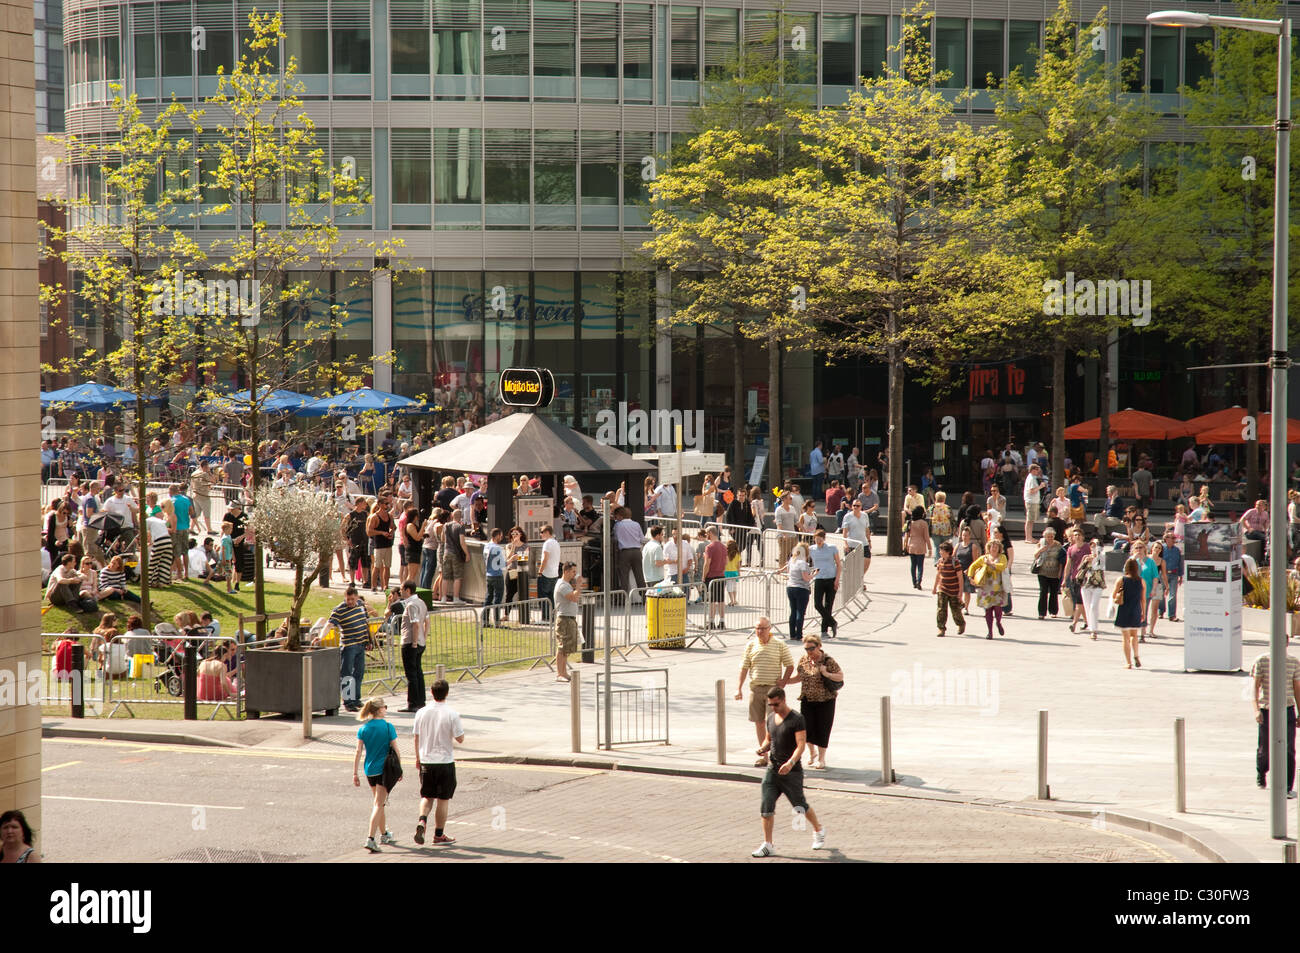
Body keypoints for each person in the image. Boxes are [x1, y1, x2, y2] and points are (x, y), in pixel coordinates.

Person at [751, 687, 826, 857]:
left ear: (783, 699)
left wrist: (791, 763)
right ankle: (768, 844)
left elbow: (801, 744)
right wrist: (763, 748)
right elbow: (769, 739)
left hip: (791, 772)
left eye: (776, 704)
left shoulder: (796, 719)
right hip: (773, 770)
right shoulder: (771, 717)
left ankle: (819, 830)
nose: (773, 707)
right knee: (766, 806)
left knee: (799, 805)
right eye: (771, 704)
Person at [412, 678, 465, 846]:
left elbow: (416, 737)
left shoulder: (421, 712)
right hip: (444, 761)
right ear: (447, 693)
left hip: (426, 760)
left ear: (431, 693)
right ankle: (439, 835)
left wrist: (418, 758)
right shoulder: (452, 713)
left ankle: (422, 821)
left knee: (427, 796)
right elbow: (460, 738)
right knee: (443, 799)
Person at [736, 618, 794, 765]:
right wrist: (739, 688)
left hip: (772, 689)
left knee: (773, 723)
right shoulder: (751, 645)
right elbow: (744, 667)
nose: (759, 631)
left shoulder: (779, 645)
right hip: (756, 688)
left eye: (762, 628)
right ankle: (764, 756)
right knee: (759, 722)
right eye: (757, 628)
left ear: (770, 628)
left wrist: (784, 682)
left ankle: (777, 755)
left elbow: (790, 665)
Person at [786, 634, 842, 770]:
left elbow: (840, 676)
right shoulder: (804, 660)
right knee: (806, 729)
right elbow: (799, 677)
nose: (809, 652)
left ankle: (822, 758)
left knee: (823, 728)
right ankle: (812, 753)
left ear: (819, 646)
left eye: (812, 648)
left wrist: (826, 674)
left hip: (825, 700)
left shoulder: (828, 660)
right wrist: (786, 681)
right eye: (806, 649)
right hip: (807, 699)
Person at [352, 697, 400, 852]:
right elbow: (396, 749)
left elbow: (358, 752)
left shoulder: (363, 729)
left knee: (380, 803)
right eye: (385, 706)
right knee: (379, 804)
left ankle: (385, 833)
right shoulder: (387, 727)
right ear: (380, 709)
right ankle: (370, 838)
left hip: (369, 770)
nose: (386, 709)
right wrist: (399, 768)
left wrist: (355, 773)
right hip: (384, 770)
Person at [1251, 644, 1300, 795]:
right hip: (1267, 709)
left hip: (1287, 709)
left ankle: (1287, 786)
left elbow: (1297, 688)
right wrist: (1256, 710)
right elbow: (1255, 687)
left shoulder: (1293, 662)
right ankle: (1262, 772)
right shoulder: (1262, 660)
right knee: (1265, 747)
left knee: (1289, 749)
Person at [330, 586, 373, 712]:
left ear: (357, 597)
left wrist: (369, 640)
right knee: (347, 674)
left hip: (361, 644)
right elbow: (329, 624)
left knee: (358, 673)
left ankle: (356, 699)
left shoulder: (360, 605)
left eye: (352, 599)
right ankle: (348, 701)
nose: (350, 602)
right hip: (348, 646)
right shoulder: (339, 610)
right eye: (348, 599)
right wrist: (320, 636)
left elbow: (365, 623)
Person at [398, 581, 429, 711]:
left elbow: (416, 624)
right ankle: (421, 701)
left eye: (401, 589)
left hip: (411, 642)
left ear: (408, 590)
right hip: (420, 641)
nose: (400, 591)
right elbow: (427, 622)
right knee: (418, 672)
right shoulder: (421, 602)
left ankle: (413, 703)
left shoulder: (411, 605)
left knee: (411, 674)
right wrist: (424, 638)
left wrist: (414, 642)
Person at [969, 538, 1009, 639]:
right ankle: (989, 631)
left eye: (996, 547)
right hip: (985, 588)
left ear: (999, 548)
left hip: (998, 588)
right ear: (989, 548)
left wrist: (991, 564)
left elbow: (1002, 566)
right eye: (992, 547)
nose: (994, 549)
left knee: (998, 608)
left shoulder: (1002, 557)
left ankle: (998, 622)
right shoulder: (984, 558)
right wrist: (970, 577)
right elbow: (973, 566)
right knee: (988, 610)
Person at [808, 529, 841, 639]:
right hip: (819, 578)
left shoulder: (832, 548)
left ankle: (824, 631)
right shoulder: (811, 549)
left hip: (831, 578)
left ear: (824, 539)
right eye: (816, 540)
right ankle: (832, 622)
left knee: (828, 605)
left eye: (820, 540)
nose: (818, 542)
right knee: (818, 604)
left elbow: (838, 564)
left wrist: (837, 579)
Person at [1114, 558, 1145, 669]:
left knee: (1125, 637)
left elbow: (1114, 595)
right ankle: (1136, 655)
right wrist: (1144, 613)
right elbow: (1143, 599)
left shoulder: (1121, 580)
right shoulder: (1141, 581)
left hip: (1124, 609)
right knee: (1134, 635)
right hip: (1136, 610)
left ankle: (1128, 663)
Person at [553, 562, 582, 682]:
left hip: (569, 619)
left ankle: (564, 672)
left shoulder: (567, 584)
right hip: (564, 619)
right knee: (562, 647)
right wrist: (579, 586)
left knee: (566, 648)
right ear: (566, 571)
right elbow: (574, 598)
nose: (574, 574)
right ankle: (560, 674)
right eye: (573, 571)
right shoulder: (562, 585)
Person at [782, 542, 814, 644]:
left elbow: (788, 571)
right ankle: (799, 634)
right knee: (800, 612)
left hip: (790, 587)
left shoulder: (792, 560)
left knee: (793, 611)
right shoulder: (803, 563)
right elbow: (805, 578)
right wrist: (814, 575)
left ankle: (792, 634)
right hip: (801, 588)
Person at [933, 541, 966, 637]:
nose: (940, 552)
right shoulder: (940, 561)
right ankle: (941, 628)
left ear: (948, 552)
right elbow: (938, 575)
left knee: (955, 610)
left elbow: (960, 578)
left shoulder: (955, 562)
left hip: (953, 590)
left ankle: (961, 624)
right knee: (941, 609)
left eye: (942, 550)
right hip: (942, 589)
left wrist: (960, 592)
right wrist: (935, 587)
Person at [1076, 538, 1107, 639]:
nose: (1094, 548)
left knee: (1094, 606)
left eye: (1096, 545)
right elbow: (1079, 569)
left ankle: (1094, 629)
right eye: (1092, 545)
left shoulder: (1102, 557)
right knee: (1088, 606)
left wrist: (1095, 558)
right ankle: (1091, 628)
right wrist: (1085, 561)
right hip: (1086, 584)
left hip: (1098, 584)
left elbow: (1100, 567)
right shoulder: (1086, 556)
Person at [701, 525, 729, 630]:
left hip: (711, 576)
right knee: (721, 600)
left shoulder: (709, 547)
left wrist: (703, 576)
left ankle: (711, 621)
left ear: (710, 533)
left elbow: (707, 563)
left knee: (712, 600)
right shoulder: (723, 546)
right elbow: (726, 561)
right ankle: (722, 621)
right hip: (721, 575)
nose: (706, 536)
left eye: (707, 533)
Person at [613, 507, 646, 594]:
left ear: (620, 516)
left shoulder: (617, 525)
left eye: (615, 516)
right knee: (639, 575)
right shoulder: (636, 524)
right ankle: (644, 597)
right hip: (636, 551)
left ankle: (624, 598)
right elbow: (642, 539)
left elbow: (615, 538)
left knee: (624, 576)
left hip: (624, 552)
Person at [1033, 528, 1065, 620]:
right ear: (1044, 536)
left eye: (1051, 536)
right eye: (1048, 537)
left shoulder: (1058, 545)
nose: (1050, 538)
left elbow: (1061, 560)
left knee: (1054, 592)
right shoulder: (1041, 544)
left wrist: (1060, 571)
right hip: (1043, 571)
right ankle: (1042, 613)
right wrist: (1041, 550)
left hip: (1054, 572)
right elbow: (1035, 556)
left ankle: (1053, 611)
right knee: (1043, 591)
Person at [366, 497, 396, 593]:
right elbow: (369, 532)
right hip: (378, 545)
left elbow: (393, 526)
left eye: (388, 503)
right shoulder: (374, 517)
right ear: (380, 504)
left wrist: (390, 532)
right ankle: (374, 586)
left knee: (387, 566)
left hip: (388, 544)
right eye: (385, 503)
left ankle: (385, 586)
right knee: (377, 566)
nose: (387, 505)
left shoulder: (389, 516)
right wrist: (382, 533)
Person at [1062, 527, 1089, 633]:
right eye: (1075, 535)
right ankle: (1087, 622)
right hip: (1075, 578)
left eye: (1079, 535)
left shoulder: (1087, 547)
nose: (1077, 537)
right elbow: (1068, 565)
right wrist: (1065, 579)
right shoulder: (1071, 549)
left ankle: (1074, 623)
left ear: (1082, 536)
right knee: (1079, 601)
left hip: (1086, 578)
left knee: (1080, 602)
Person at [479, 527, 506, 626]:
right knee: (497, 599)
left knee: (488, 598)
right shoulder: (497, 548)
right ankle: (497, 622)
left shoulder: (486, 546)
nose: (502, 537)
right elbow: (503, 564)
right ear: (497, 536)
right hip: (497, 575)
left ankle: (485, 621)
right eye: (501, 535)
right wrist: (512, 558)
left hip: (489, 575)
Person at [953, 525, 982, 613]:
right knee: (957, 590)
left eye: (966, 535)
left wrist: (970, 570)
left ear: (969, 536)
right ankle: (959, 605)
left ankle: (966, 607)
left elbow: (975, 561)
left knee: (966, 590)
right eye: (963, 535)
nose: (964, 537)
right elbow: (953, 557)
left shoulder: (973, 547)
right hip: (958, 571)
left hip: (967, 571)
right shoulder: (958, 545)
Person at [537, 524, 562, 620]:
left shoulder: (547, 543)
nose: (540, 534)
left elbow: (545, 559)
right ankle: (552, 616)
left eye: (542, 532)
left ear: (547, 532)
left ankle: (545, 617)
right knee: (552, 597)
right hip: (554, 573)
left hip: (546, 573)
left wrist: (540, 571)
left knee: (543, 597)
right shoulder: (556, 543)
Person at [1161, 529, 1184, 622]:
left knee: (1173, 595)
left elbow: (1180, 563)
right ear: (1165, 539)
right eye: (1168, 537)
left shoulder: (1177, 550)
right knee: (1161, 594)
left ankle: (1172, 615)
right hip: (1163, 574)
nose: (1170, 539)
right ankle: (1161, 611)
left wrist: (1181, 576)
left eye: (1172, 538)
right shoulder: (1161, 549)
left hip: (1174, 574)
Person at [905, 505, 930, 590]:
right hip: (921, 546)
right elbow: (926, 536)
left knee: (913, 565)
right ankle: (919, 582)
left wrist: (905, 545)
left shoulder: (910, 522)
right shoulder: (924, 523)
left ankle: (914, 581)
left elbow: (907, 535)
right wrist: (929, 547)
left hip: (912, 545)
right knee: (920, 565)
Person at [773, 493, 799, 566]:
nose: (791, 499)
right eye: (790, 498)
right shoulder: (779, 510)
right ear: (784, 499)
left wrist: (803, 529)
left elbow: (796, 521)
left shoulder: (792, 508)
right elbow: (779, 523)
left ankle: (792, 570)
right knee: (783, 554)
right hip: (783, 536)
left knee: (795, 554)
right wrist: (784, 534)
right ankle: (781, 570)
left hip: (793, 535)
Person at [641, 524, 669, 589]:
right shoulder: (657, 547)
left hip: (648, 578)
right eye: (662, 534)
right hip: (657, 579)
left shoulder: (646, 545)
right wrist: (667, 561)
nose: (663, 536)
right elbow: (658, 563)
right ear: (657, 536)